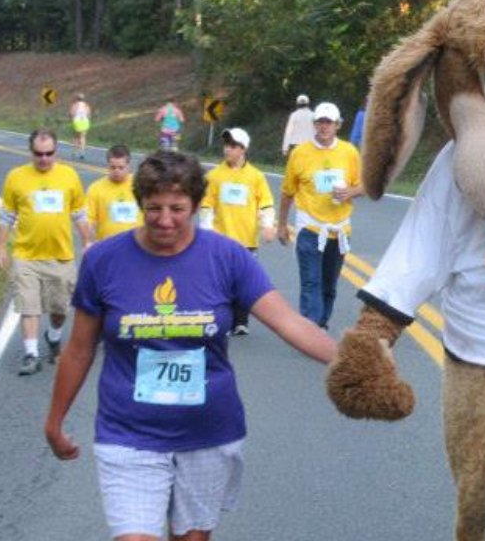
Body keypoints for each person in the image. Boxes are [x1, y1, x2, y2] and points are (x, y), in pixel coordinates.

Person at [43, 150, 336, 541]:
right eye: (154, 208)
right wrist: (54, 421)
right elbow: (79, 349)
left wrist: (355, 362)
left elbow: (289, 323)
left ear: (196, 205)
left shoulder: (227, 257)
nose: (165, 220)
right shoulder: (104, 261)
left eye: (177, 209)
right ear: (140, 204)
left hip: (208, 432)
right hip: (128, 431)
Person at [0, 129, 95, 375]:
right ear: (31, 152)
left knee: (59, 309)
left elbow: (79, 214)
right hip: (26, 256)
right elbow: (6, 216)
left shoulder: (69, 176)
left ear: (56, 151)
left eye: (49, 153)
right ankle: (31, 355)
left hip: (60, 257)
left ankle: (53, 336)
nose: (44, 159)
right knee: (29, 307)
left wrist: (88, 242)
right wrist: (0, 248)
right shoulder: (16, 177)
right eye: (39, 154)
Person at [277, 102, 362, 329]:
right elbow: (287, 192)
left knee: (329, 284)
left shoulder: (349, 152)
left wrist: (350, 192)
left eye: (329, 122)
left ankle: (321, 323)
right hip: (310, 228)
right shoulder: (300, 153)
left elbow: (363, 185)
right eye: (320, 122)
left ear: (338, 125)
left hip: (339, 229)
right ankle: (311, 328)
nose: (324, 126)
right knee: (311, 281)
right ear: (314, 124)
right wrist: (282, 225)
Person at [199, 128, 278, 336]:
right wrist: (206, 233)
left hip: (247, 240)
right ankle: (224, 321)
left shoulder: (256, 177)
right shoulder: (214, 176)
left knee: (243, 282)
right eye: (226, 145)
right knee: (222, 282)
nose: (228, 149)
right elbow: (206, 206)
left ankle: (241, 321)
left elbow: (265, 204)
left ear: (243, 149)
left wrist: (268, 225)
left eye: (233, 146)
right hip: (221, 240)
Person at [86, 144, 142, 241]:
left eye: (121, 167)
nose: (117, 171)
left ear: (128, 166)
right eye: (113, 167)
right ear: (108, 165)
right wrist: (88, 241)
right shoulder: (95, 188)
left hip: (137, 243)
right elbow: (88, 220)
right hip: (108, 245)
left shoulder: (140, 185)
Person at [70, 93, 92, 160]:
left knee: (76, 137)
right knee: (83, 137)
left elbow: (72, 113)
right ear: (83, 99)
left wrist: (73, 119)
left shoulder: (75, 105)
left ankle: (74, 152)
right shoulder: (86, 105)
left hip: (77, 121)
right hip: (85, 121)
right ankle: (82, 152)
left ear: (76, 99)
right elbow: (89, 114)